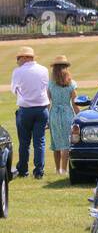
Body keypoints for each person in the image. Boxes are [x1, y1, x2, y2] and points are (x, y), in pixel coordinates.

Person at [11, 46, 50, 179]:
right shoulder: (43, 70)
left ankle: (23, 169)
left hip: (26, 109)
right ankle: (39, 171)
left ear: (25, 58)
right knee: (39, 141)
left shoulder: (18, 71)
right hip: (41, 109)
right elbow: (45, 87)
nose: (18, 61)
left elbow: (14, 90)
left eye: (19, 58)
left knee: (24, 141)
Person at [46, 55, 78, 177]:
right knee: (66, 143)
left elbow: (47, 102)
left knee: (56, 143)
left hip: (54, 114)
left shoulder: (50, 84)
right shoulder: (72, 83)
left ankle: (57, 169)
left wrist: (46, 118)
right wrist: (79, 116)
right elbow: (75, 104)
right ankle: (64, 170)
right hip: (67, 113)